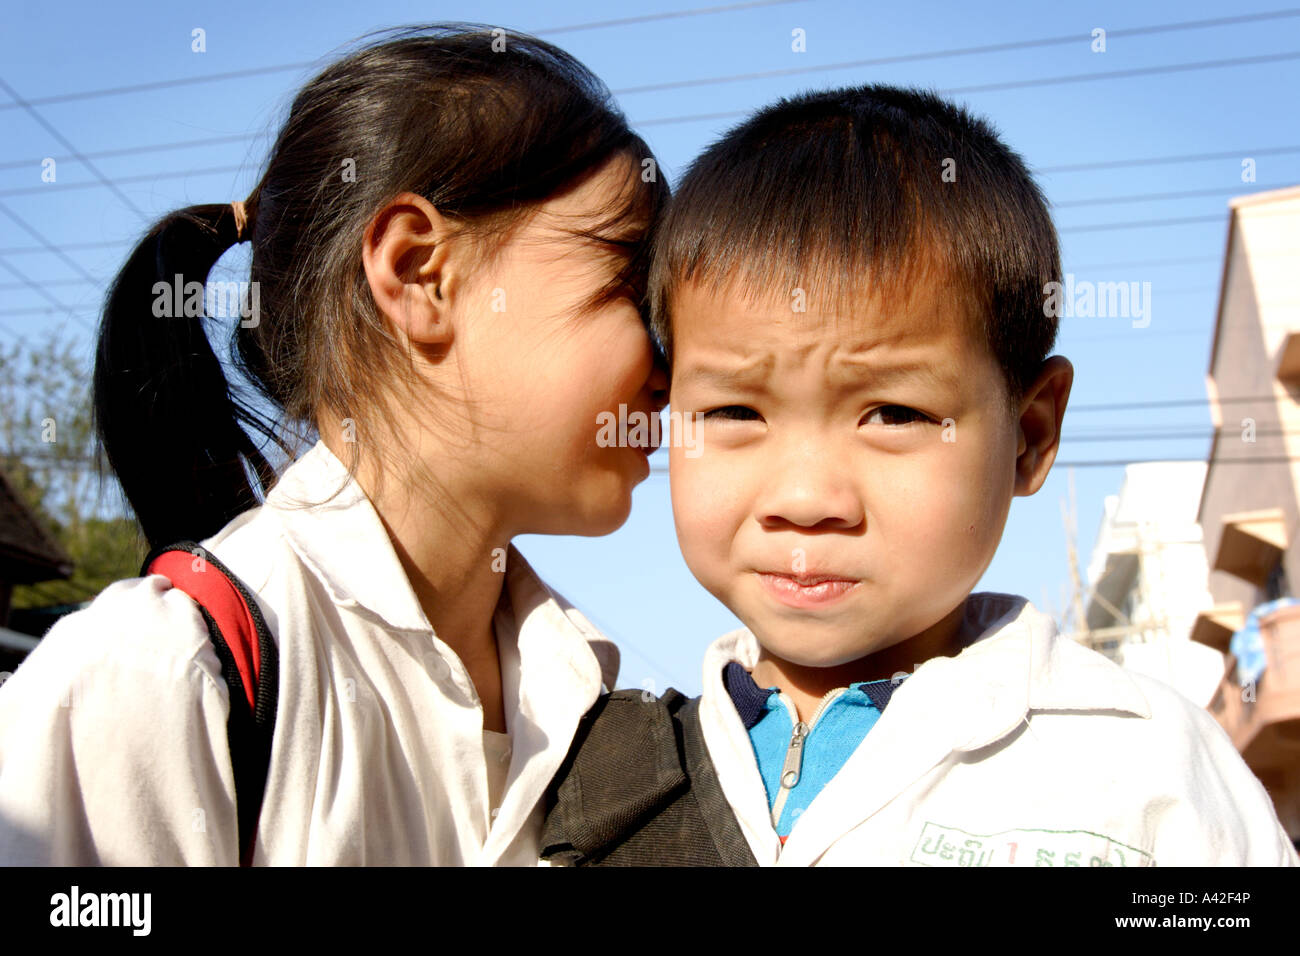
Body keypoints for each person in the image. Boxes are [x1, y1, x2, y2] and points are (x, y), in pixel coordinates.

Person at [540, 83, 1299, 866]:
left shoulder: (1148, 770)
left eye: (893, 415)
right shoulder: (593, 782)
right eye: (736, 412)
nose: (804, 501)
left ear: (1030, 436)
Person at [0, 23, 669, 865]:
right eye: (631, 287)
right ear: (421, 272)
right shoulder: (151, 683)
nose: (675, 366)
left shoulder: (601, 717)